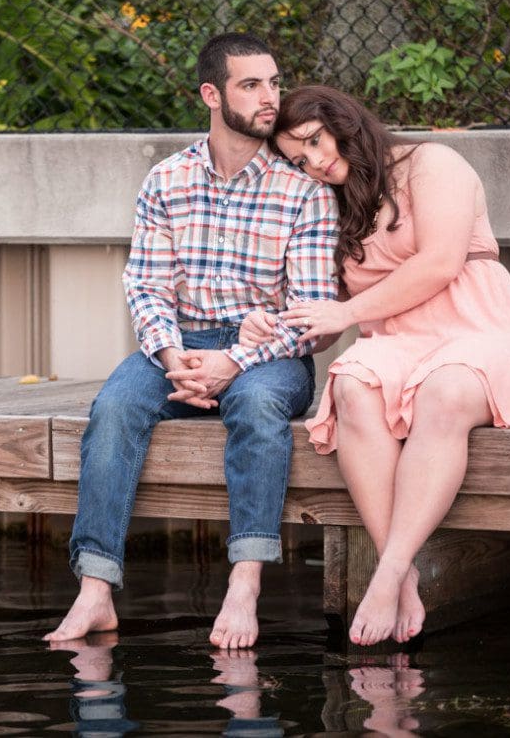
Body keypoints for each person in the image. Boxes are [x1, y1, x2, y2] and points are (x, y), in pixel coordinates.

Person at [44, 34, 338, 649]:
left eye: (274, 83)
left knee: (256, 407)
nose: (269, 98)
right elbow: (146, 286)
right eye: (251, 85)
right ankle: (95, 590)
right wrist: (173, 355)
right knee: (115, 406)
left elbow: (306, 316)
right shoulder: (167, 179)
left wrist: (235, 360)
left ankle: (245, 582)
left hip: (269, 355)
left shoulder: (304, 191)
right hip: (179, 344)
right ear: (212, 94)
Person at [242, 85, 510, 647]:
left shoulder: (430, 164)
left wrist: (346, 310)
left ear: (343, 122)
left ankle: (385, 573)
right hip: (398, 342)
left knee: (443, 389)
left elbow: (439, 264)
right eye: (299, 158)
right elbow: (327, 321)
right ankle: (404, 572)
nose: (314, 162)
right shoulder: (329, 207)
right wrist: (273, 326)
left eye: (316, 141)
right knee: (351, 383)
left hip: (477, 327)